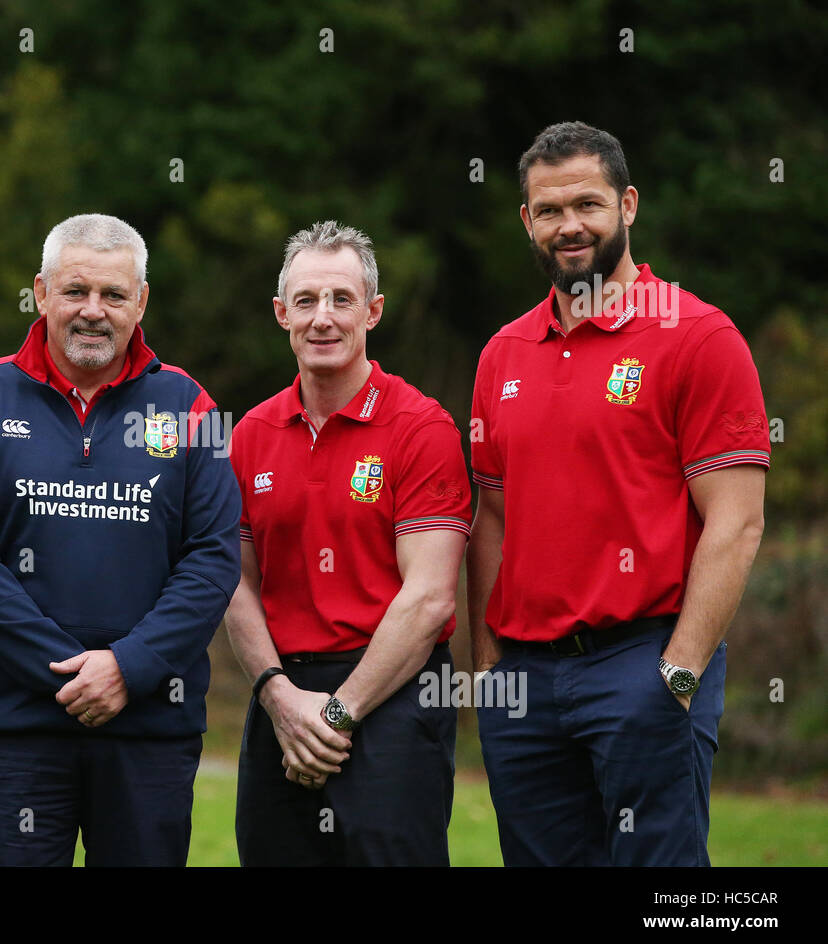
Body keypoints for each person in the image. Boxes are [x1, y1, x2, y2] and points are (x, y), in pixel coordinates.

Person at [468, 121, 769, 866]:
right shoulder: (502, 353)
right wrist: (483, 670)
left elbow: (736, 522)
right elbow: (491, 520)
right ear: (526, 221)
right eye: (548, 210)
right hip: (525, 681)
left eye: (588, 204)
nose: (570, 226)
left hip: (644, 661)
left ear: (627, 205)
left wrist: (680, 669)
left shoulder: (698, 337)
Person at [0, 213, 241, 867]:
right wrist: (68, 673)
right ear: (41, 293)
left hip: (149, 730)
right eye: (75, 291)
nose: (92, 311)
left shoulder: (193, 409)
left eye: (113, 295)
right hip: (15, 729)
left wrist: (128, 667)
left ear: (141, 302)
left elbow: (212, 558)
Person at [225, 221, 471, 866]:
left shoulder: (422, 428)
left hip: (391, 692)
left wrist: (337, 715)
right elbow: (234, 584)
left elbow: (429, 600)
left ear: (373, 310)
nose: (323, 318)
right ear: (282, 314)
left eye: (341, 299)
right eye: (305, 301)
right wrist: (280, 699)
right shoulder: (250, 434)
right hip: (281, 697)